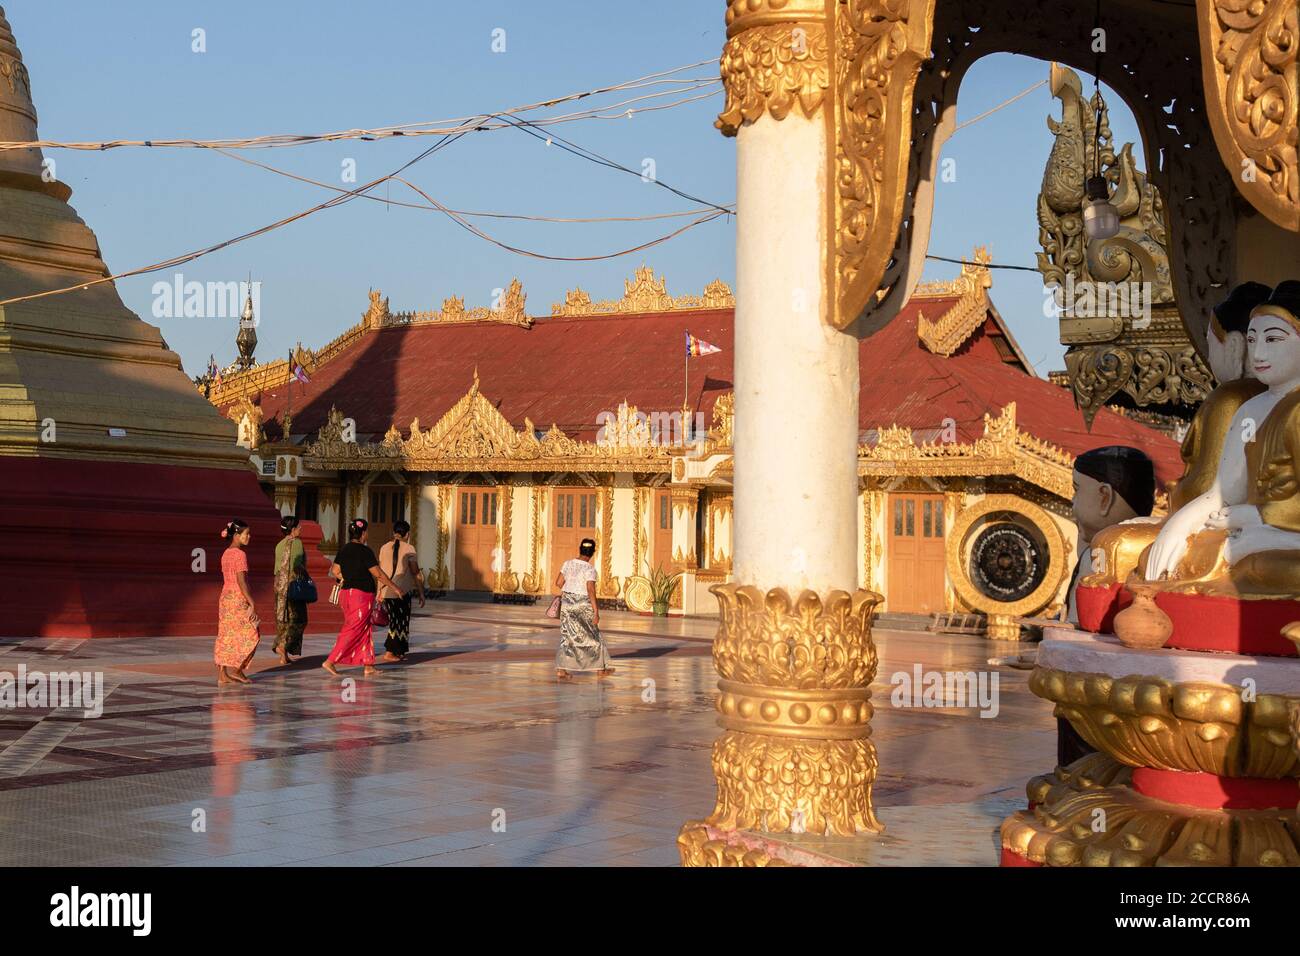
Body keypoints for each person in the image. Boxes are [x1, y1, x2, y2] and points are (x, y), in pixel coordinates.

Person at [324, 518, 400, 678]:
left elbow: (335, 570)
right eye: (366, 532)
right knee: (354, 629)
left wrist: (347, 577)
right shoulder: (365, 551)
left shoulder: (344, 549)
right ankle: (331, 660)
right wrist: (394, 587)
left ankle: (368, 664)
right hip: (361, 596)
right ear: (363, 533)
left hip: (347, 594)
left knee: (364, 628)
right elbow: (378, 573)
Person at [553, 537, 613, 681]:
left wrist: (571, 588)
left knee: (567, 635)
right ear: (592, 553)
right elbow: (590, 590)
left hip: (567, 604)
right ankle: (600, 669)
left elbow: (558, 583)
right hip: (583, 604)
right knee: (593, 635)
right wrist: (596, 611)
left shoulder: (567, 564)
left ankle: (561, 670)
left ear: (580, 549)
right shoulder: (589, 569)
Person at [215, 519, 260, 686]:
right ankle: (238, 669)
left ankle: (222, 674)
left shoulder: (226, 553)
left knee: (226, 635)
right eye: (246, 534)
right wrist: (252, 602)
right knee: (253, 634)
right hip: (237, 598)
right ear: (236, 535)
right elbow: (241, 582)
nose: (249, 537)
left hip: (225, 597)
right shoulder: (240, 555)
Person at [377, 519, 424, 662]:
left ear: (394, 533)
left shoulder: (384, 547)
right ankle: (390, 652)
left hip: (386, 591)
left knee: (396, 621)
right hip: (402, 591)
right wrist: (421, 592)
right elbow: (415, 572)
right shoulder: (409, 549)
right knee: (400, 622)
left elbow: (380, 571)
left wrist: (378, 591)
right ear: (407, 534)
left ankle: (399, 651)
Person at [273, 515, 310, 665]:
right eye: (299, 526)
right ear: (293, 529)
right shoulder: (297, 544)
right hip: (294, 587)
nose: (301, 528)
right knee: (299, 619)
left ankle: (284, 653)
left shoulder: (279, 545)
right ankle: (282, 646)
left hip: (279, 587)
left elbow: (277, 569)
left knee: (283, 619)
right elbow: (299, 566)